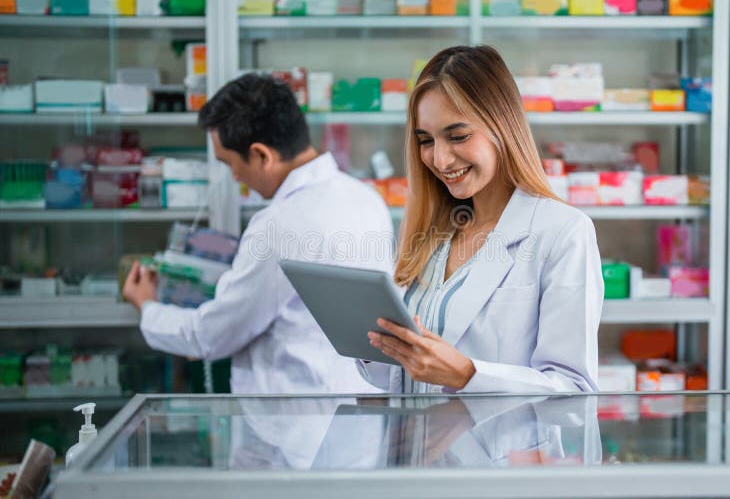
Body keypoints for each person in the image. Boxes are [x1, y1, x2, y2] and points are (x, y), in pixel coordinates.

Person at [123, 73, 393, 394]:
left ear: (262, 155)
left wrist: (148, 307)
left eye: (229, 163)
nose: (235, 176)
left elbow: (214, 334)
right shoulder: (366, 198)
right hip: (359, 413)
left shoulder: (278, 224)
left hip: (292, 427)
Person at [361, 45, 603, 393]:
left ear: (501, 126)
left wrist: (467, 375)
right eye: (426, 141)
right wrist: (377, 349)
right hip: (412, 444)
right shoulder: (431, 231)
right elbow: (410, 377)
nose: (441, 160)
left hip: (498, 447)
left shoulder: (562, 231)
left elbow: (574, 392)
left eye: (458, 136)